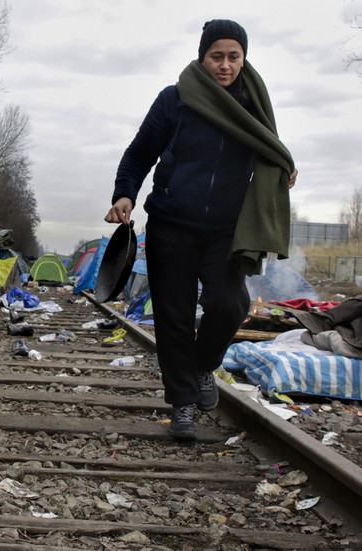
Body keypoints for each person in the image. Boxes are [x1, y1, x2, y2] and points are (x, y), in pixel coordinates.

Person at [105, 19, 297, 439]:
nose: (225, 65)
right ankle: (183, 406)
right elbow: (140, 153)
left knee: (230, 306)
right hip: (171, 224)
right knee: (173, 318)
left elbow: (269, 149)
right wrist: (125, 195)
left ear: (243, 59)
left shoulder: (252, 107)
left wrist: (283, 166)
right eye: (217, 56)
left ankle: (202, 366)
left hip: (227, 229)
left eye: (234, 56)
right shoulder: (175, 100)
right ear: (202, 56)